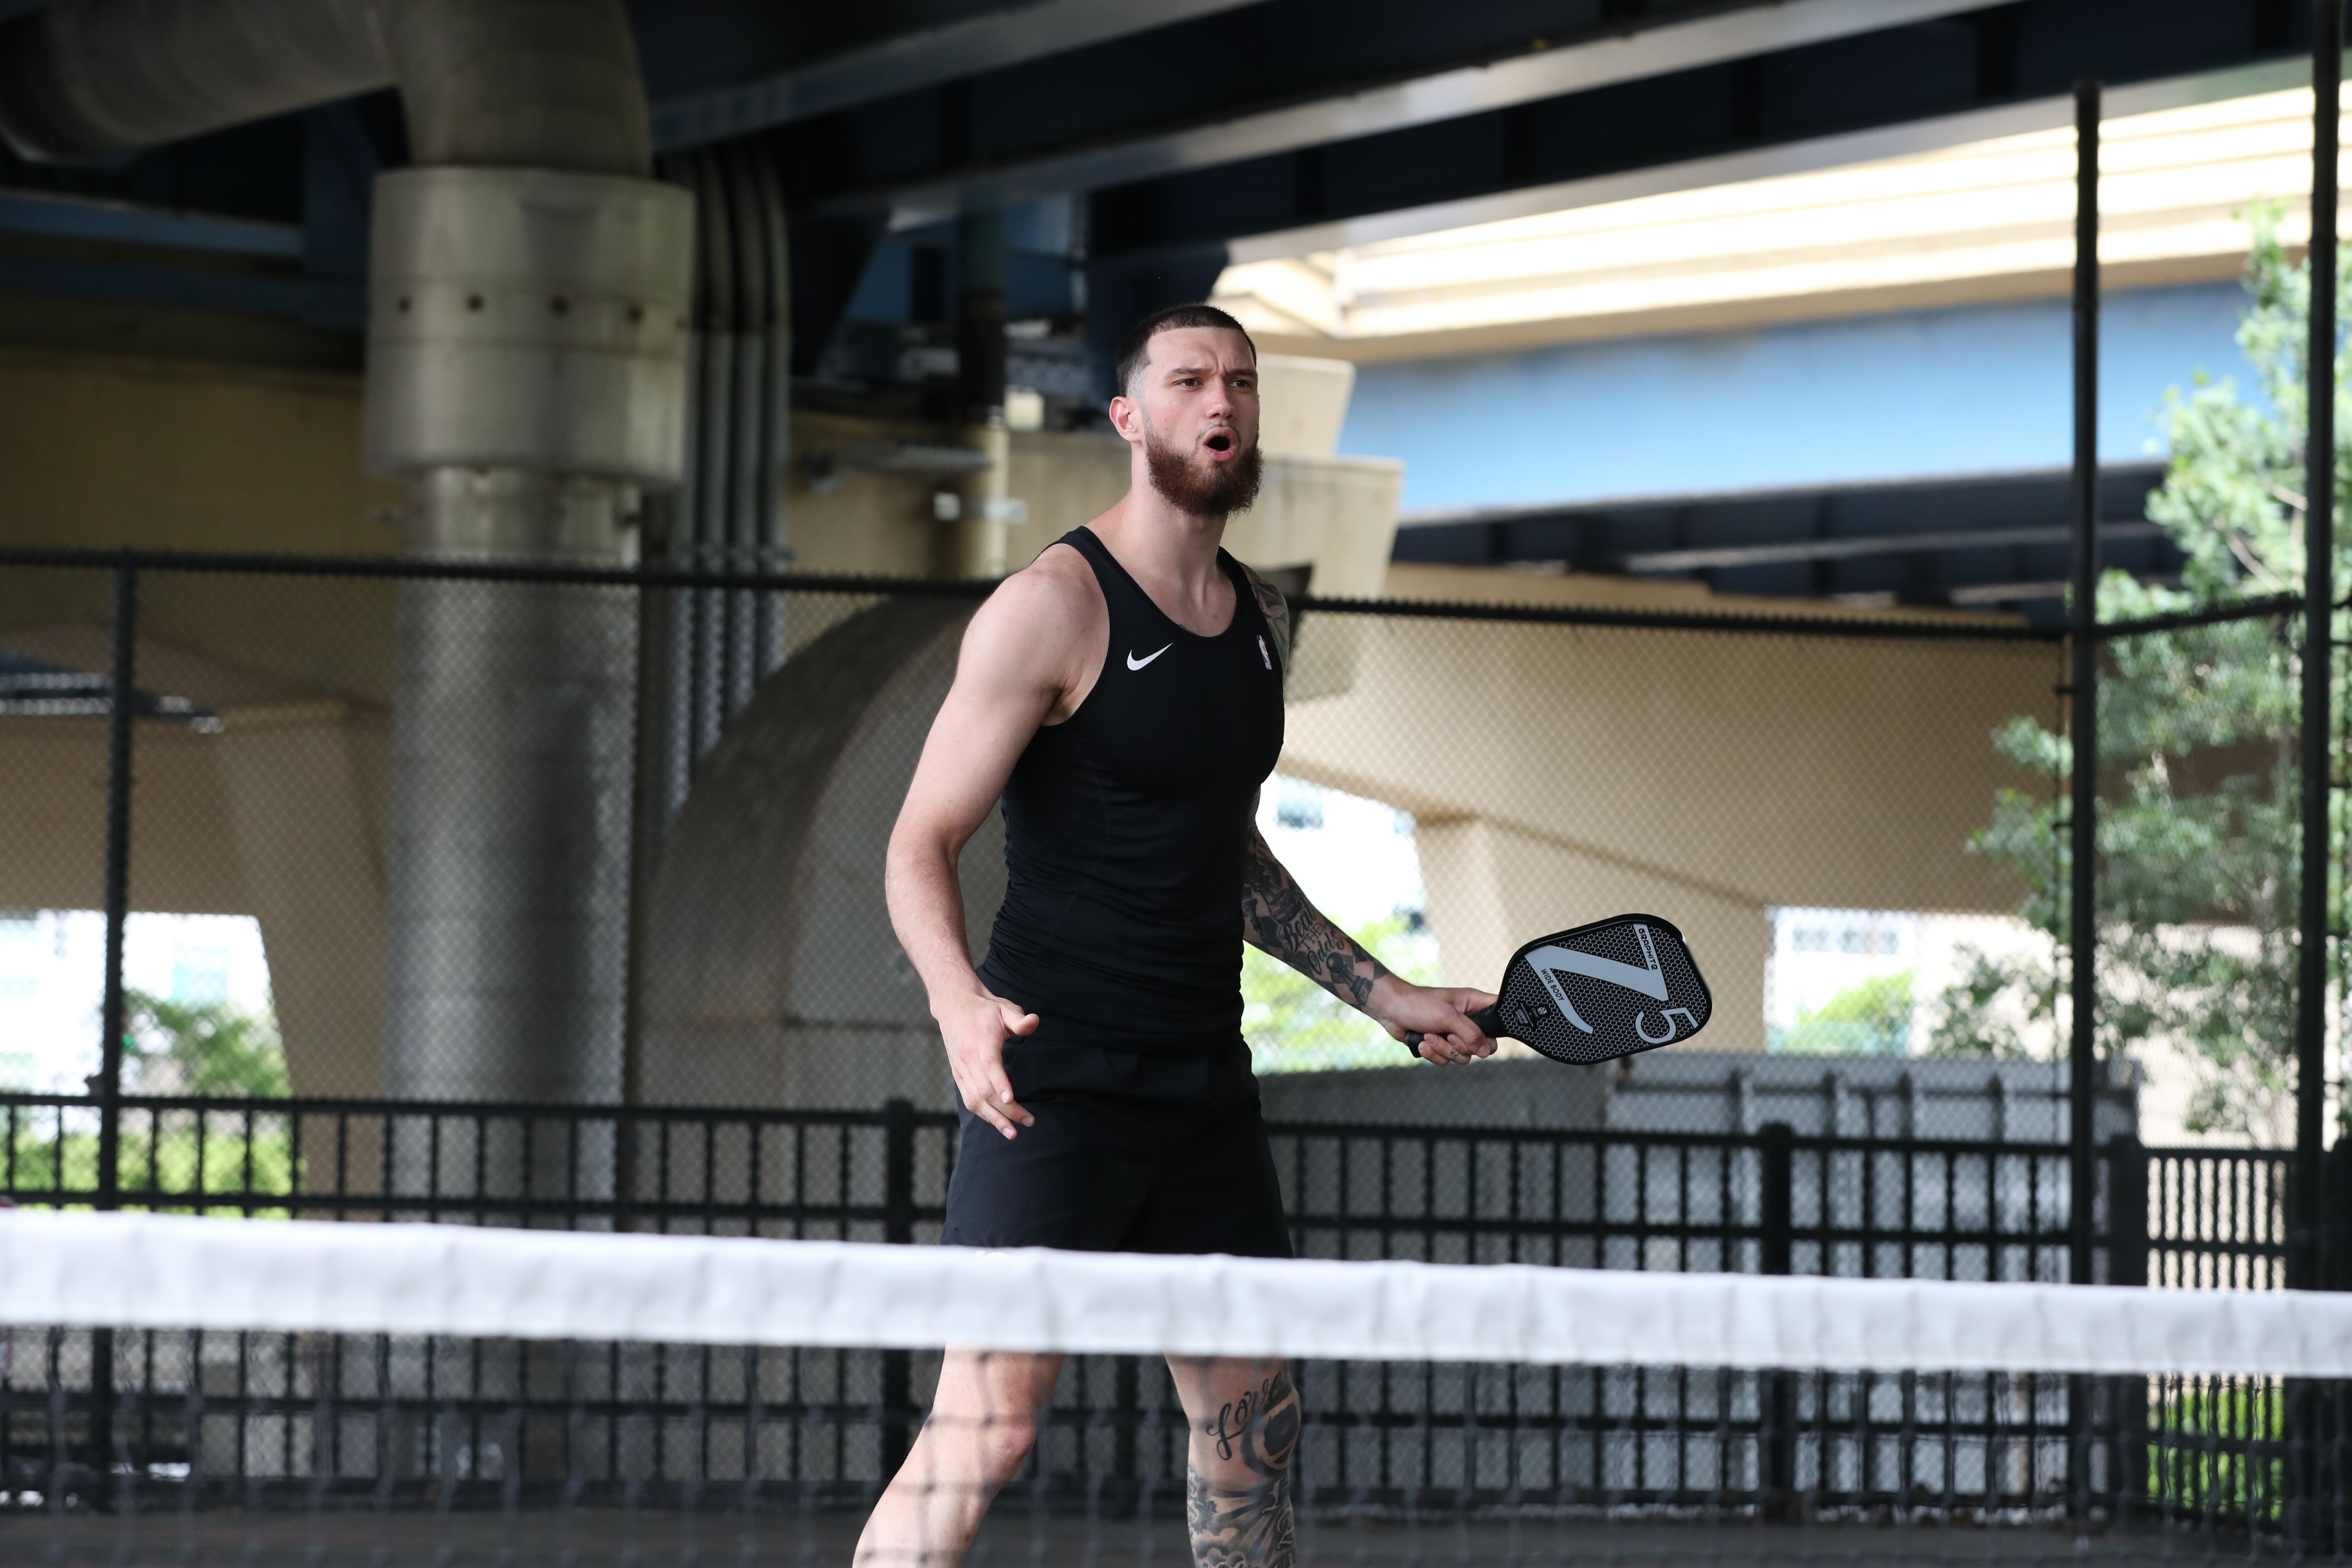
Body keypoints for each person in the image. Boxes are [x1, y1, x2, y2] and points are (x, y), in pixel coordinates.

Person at [857, 303, 1498, 1568]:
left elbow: (1224, 847)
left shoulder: (1258, 616)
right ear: (1130, 416)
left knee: (1251, 1428)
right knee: (989, 1426)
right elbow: (915, 842)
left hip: (1202, 1083)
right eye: (1192, 380)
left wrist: (1379, 992)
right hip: (1056, 1078)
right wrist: (958, 1002)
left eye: (1243, 384)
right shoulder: (1051, 606)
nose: (1223, 403)